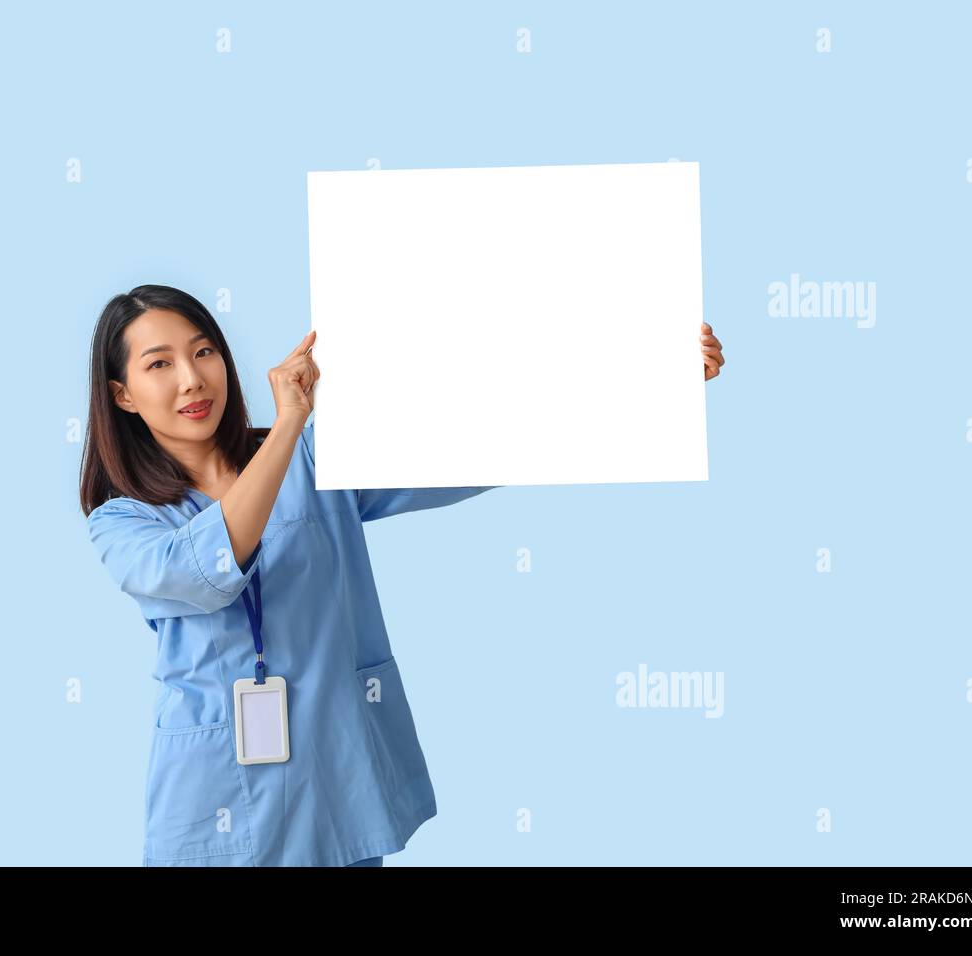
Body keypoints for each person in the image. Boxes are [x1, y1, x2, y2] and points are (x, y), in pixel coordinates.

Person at [80, 284, 725, 867]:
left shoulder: (310, 459)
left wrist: (649, 385)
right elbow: (204, 573)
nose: (192, 379)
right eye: (159, 364)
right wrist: (289, 426)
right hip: (218, 798)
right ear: (122, 394)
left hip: (337, 780)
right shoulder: (124, 521)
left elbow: (472, 448)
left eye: (204, 353)